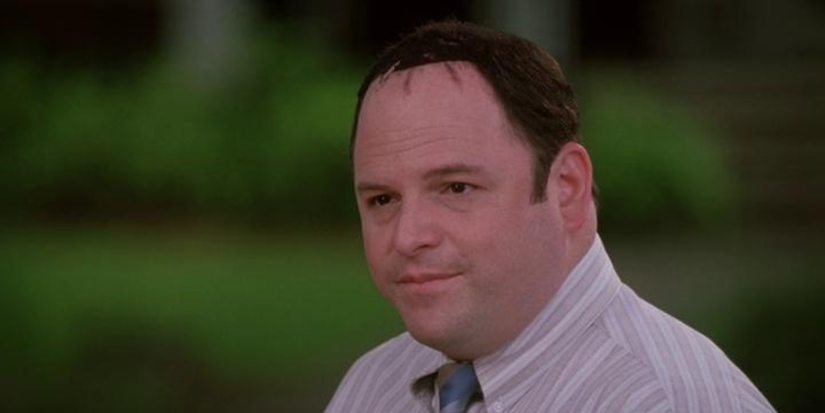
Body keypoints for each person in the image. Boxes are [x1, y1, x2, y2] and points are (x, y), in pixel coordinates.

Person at [325, 21, 775, 413]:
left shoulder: (665, 401)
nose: (407, 237)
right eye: (382, 199)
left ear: (567, 189)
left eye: (456, 188)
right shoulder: (372, 387)